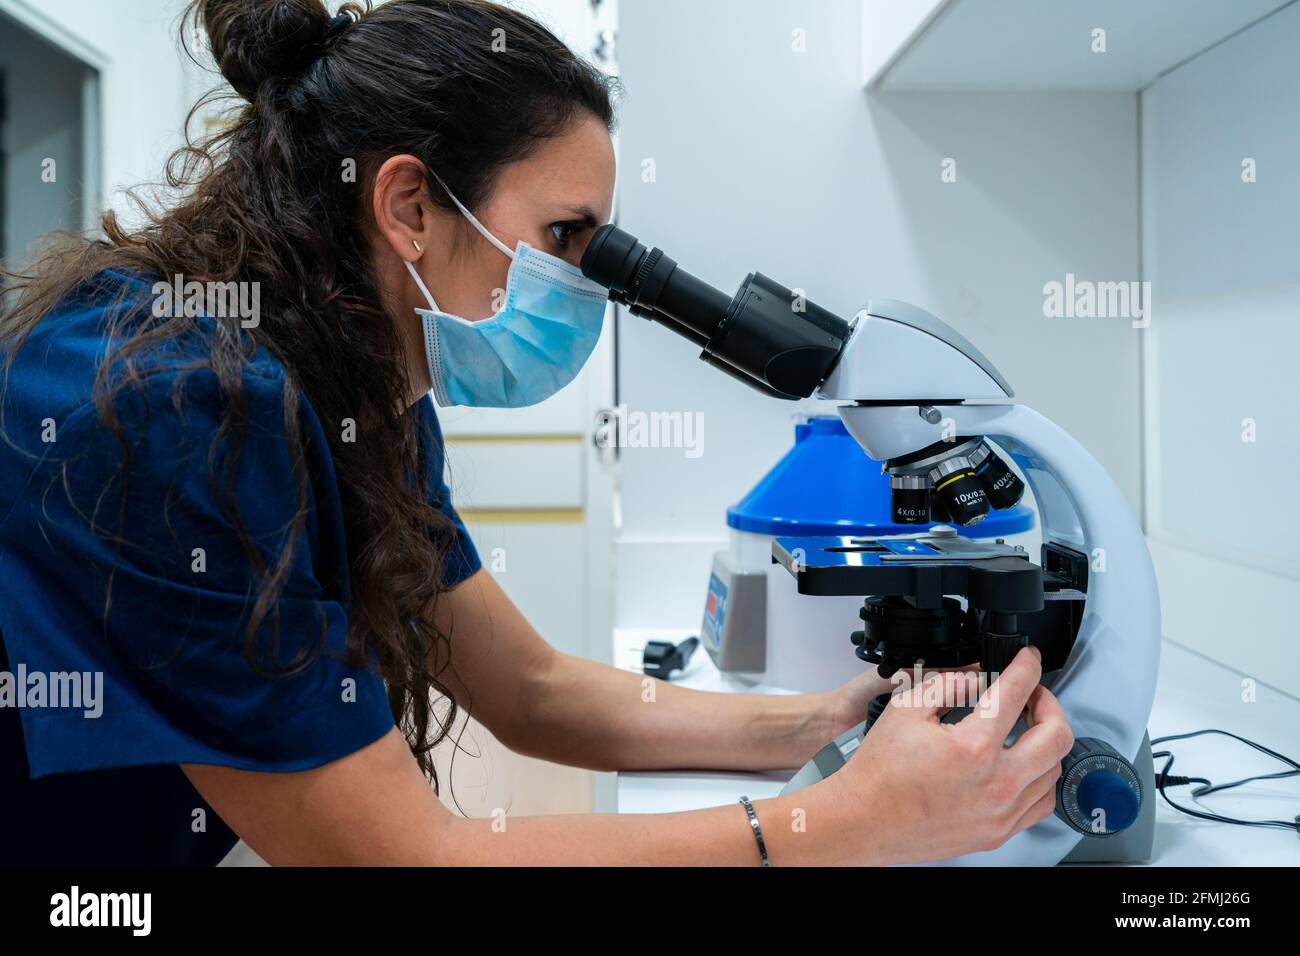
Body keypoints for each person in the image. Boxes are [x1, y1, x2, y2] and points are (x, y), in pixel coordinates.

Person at [0, 0, 1072, 865]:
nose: (586, 286)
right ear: (409, 205)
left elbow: (529, 687)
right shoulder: (167, 399)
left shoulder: (365, 386)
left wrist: (816, 722)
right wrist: (849, 822)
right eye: (566, 237)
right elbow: (404, 859)